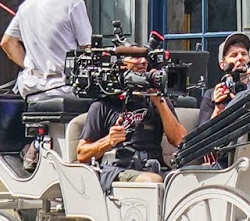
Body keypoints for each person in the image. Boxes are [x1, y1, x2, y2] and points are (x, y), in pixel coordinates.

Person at [75, 56, 187, 191]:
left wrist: (159, 101)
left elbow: (180, 140)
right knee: (152, 181)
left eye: (145, 58)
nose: (143, 61)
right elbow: (82, 155)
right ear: (121, 64)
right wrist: (108, 141)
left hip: (154, 167)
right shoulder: (103, 105)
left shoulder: (159, 99)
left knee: (188, 181)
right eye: (135, 57)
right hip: (117, 169)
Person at [0, 0, 92, 98]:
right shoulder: (74, 2)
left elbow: (7, 42)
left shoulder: (26, 5)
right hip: (63, 89)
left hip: (31, 89)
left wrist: (32, 66)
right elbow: (87, 49)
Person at [198, 32, 250, 125]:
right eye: (234, 55)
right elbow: (202, 132)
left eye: (244, 54)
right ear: (222, 65)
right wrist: (218, 109)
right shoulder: (211, 95)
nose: (240, 57)